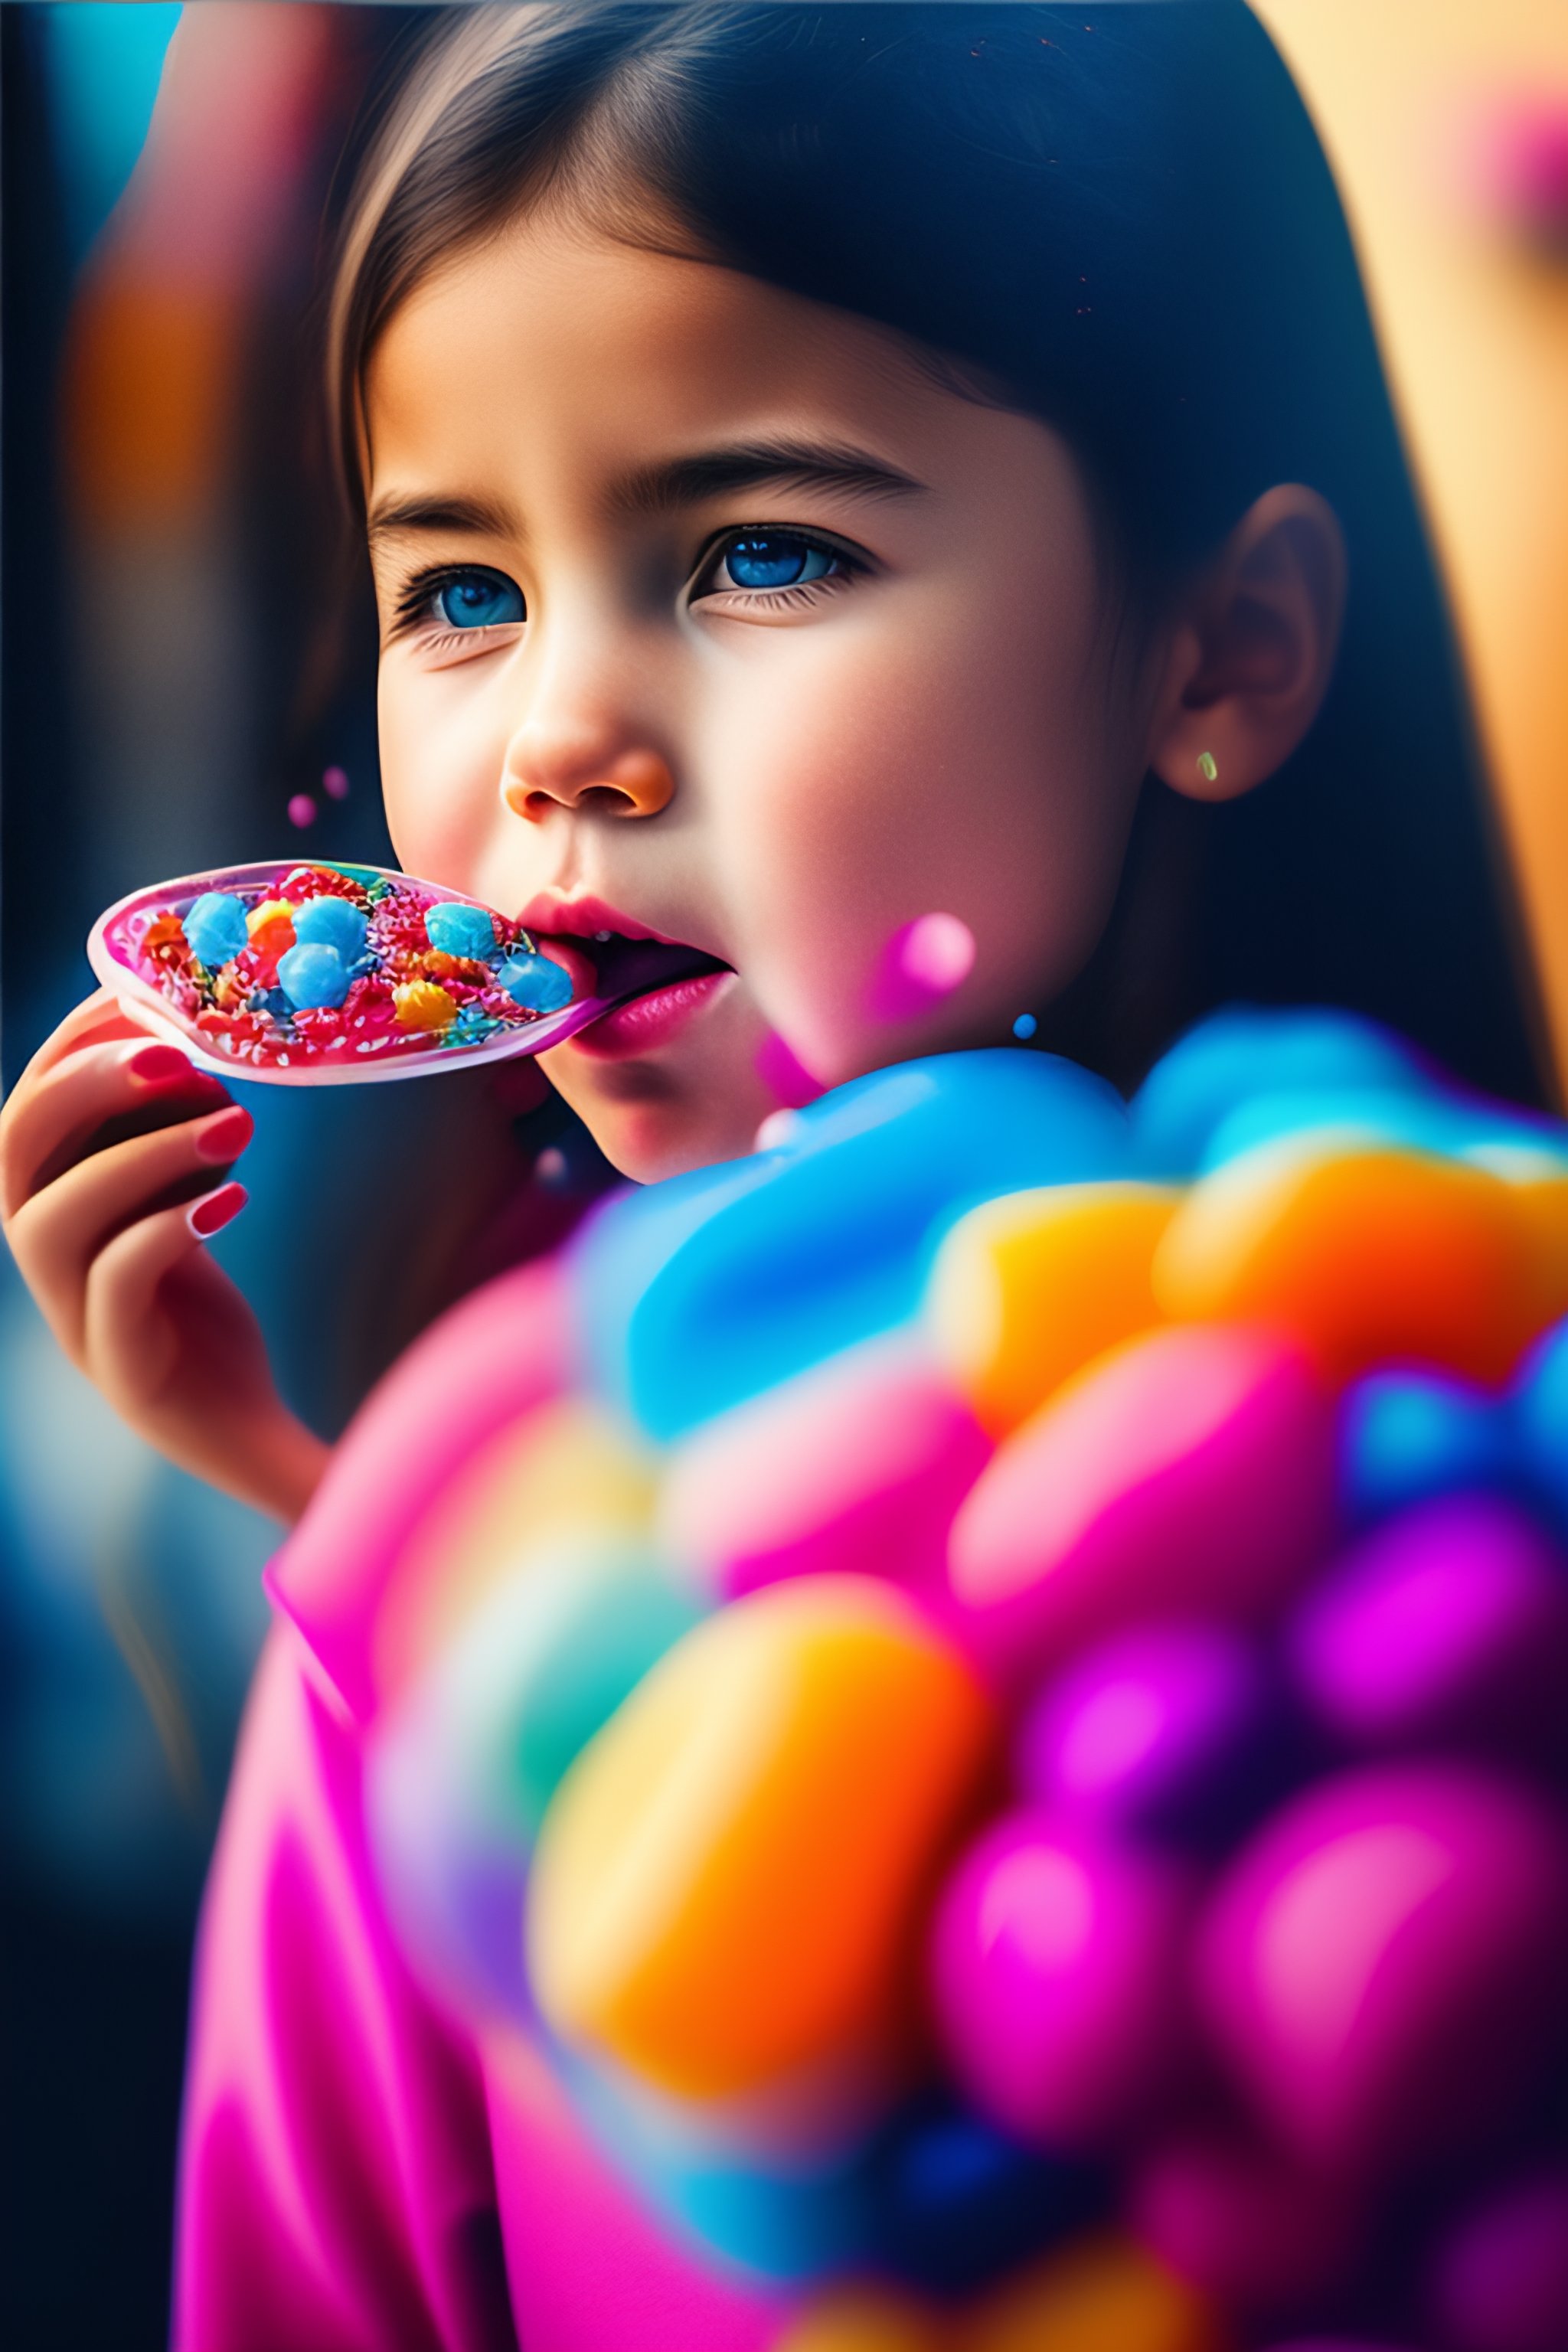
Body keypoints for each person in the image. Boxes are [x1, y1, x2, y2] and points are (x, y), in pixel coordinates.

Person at [0, 6, 1553, 2344]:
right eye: (460, 589)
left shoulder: (1469, 1457)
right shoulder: (421, 1603)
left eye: (760, 552)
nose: (564, 739)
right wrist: (359, 1526)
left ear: (1222, 648)